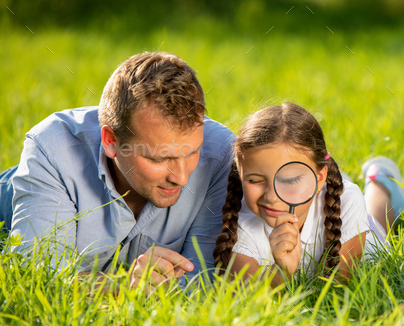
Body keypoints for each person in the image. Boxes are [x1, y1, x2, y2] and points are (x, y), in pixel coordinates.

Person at [0, 52, 235, 292]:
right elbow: (38, 279)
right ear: (111, 141)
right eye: (158, 158)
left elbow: (203, 281)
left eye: (191, 152)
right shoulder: (52, 150)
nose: (182, 177)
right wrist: (124, 287)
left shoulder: (222, 155)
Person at [213, 102, 404, 285]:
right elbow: (240, 295)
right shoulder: (241, 224)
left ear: (319, 177)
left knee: (379, 220)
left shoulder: (347, 202)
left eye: (289, 180)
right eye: (255, 180)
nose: (272, 197)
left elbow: (338, 287)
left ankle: (381, 180)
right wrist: (282, 273)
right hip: (321, 193)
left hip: (362, 233)